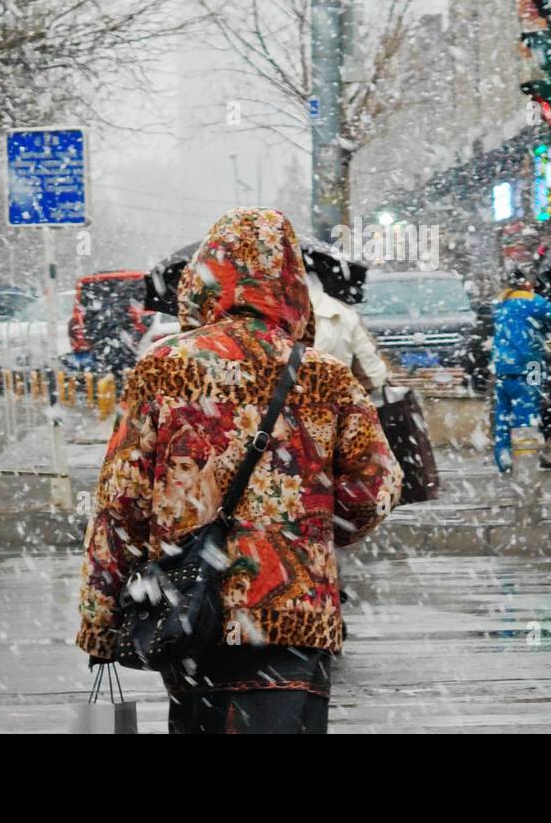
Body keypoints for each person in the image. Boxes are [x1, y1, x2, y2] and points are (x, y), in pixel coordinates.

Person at [76, 208, 403, 734]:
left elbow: (122, 502)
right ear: (292, 282)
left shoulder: (164, 367)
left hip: (192, 610)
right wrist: (309, 529)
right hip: (295, 617)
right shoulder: (325, 376)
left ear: (207, 279)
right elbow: (374, 489)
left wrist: (101, 619)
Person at [491, 267, 551, 472]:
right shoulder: (529, 300)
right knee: (527, 411)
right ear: (525, 283)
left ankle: (504, 458)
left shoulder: (501, 303)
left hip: (502, 366)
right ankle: (526, 459)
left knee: (503, 413)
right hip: (530, 364)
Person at [306, 273, 390, 393]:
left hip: (275, 406)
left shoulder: (274, 307)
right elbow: (372, 375)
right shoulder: (342, 313)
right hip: (329, 405)